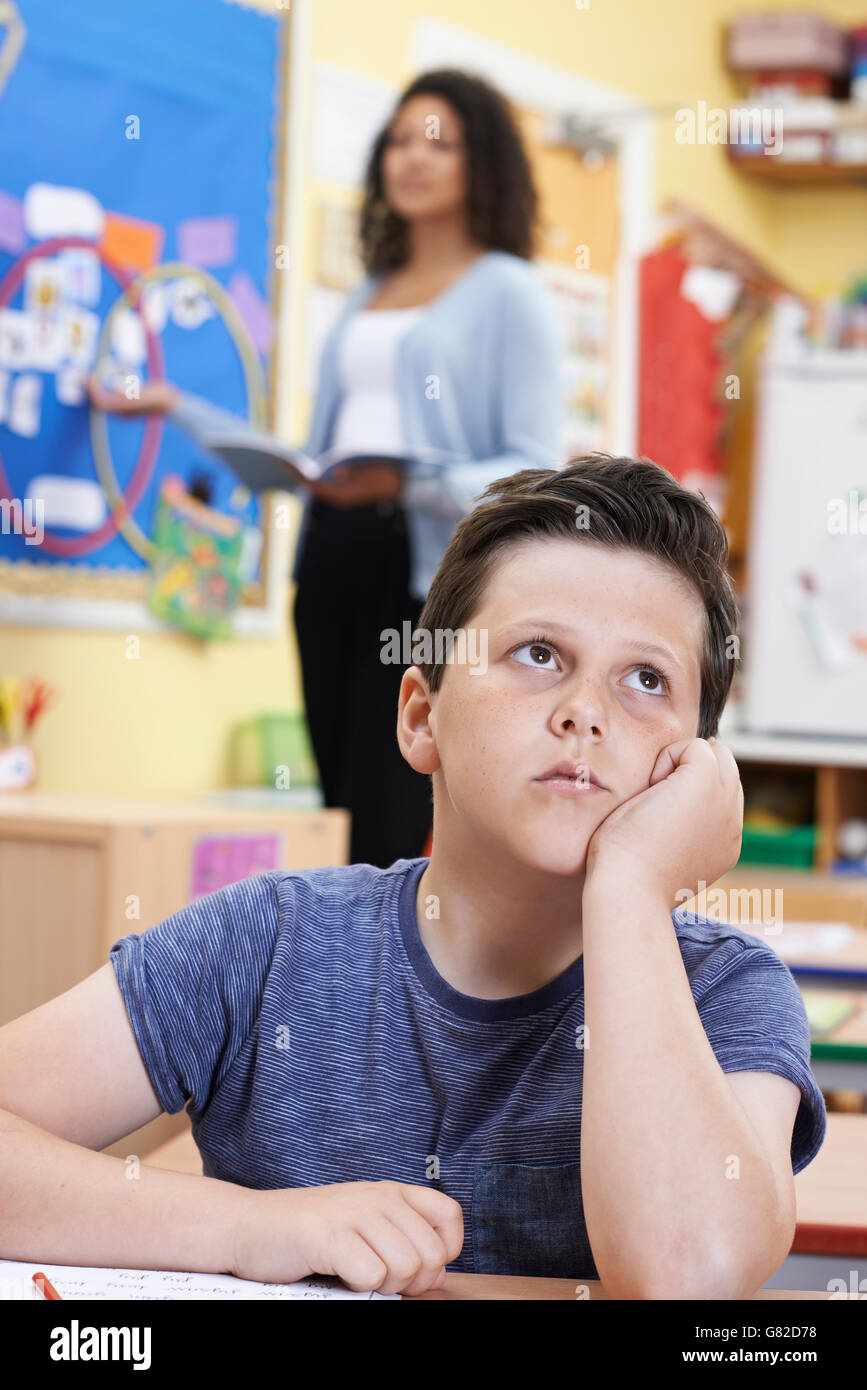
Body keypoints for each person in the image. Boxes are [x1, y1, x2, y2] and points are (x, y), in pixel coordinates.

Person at [0, 455, 825, 1296]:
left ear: (693, 767)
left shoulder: (728, 990)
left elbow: (688, 1281)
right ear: (422, 717)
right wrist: (251, 1228)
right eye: (538, 653)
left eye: (645, 679)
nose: (587, 711)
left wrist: (629, 889)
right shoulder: (265, 943)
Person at [87, 68, 564, 867]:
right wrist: (175, 404)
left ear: (482, 161)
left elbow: (531, 471)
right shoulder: (368, 293)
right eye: (400, 140)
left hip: (420, 572)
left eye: (438, 142)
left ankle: (390, 987)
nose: (412, 158)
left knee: (390, 811)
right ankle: (350, 984)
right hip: (332, 556)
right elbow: (310, 452)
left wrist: (405, 485)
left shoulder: (508, 292)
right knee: (339, 806)